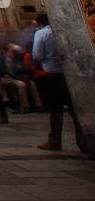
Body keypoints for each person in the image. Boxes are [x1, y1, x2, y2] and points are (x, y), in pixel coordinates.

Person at [32, 12, 86, 153]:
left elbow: (37, 55)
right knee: (76, 109)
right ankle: (85, 141)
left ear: (39, 22)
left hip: (53, 75)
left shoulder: (41, 34)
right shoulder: (66, 30)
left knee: (55, 108)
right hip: (72, 75)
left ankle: (55, 141)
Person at [0, 44, 40, 113]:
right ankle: (24, 106)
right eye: (12, 51)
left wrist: (26, 75)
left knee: (32, 84)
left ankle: (38, 105)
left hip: (20, 77)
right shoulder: (6, 60)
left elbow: (23, 69)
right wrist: (21, 78)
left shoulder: (18, 59)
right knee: (22, 85)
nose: (14, 53)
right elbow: (10, 73)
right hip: (11, 78)